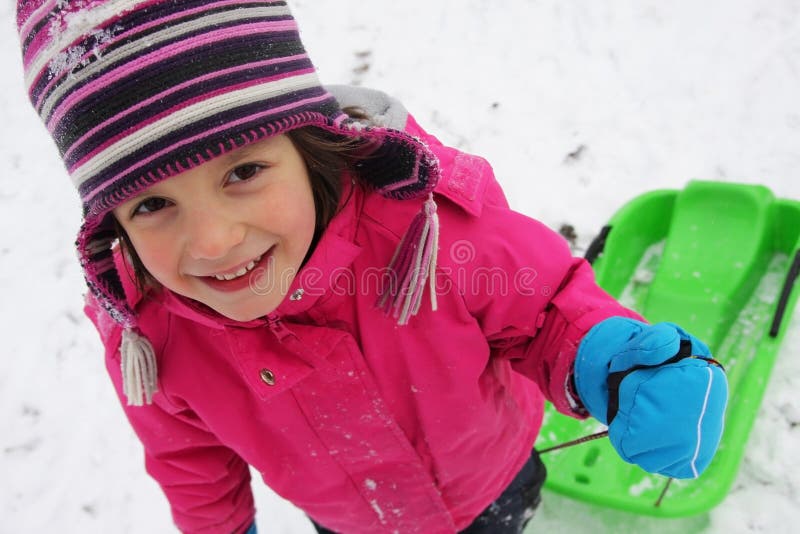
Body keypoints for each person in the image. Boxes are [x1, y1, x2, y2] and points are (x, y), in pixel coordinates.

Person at [16, 1, 728, 533]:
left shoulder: (425, 231)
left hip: (492, 482)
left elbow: (544, 313)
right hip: (352, 520)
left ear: (306, 144)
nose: (211, 241)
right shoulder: (148, 334)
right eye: (150, 206)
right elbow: (190, 460)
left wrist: (617, 363)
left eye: (245, 171)